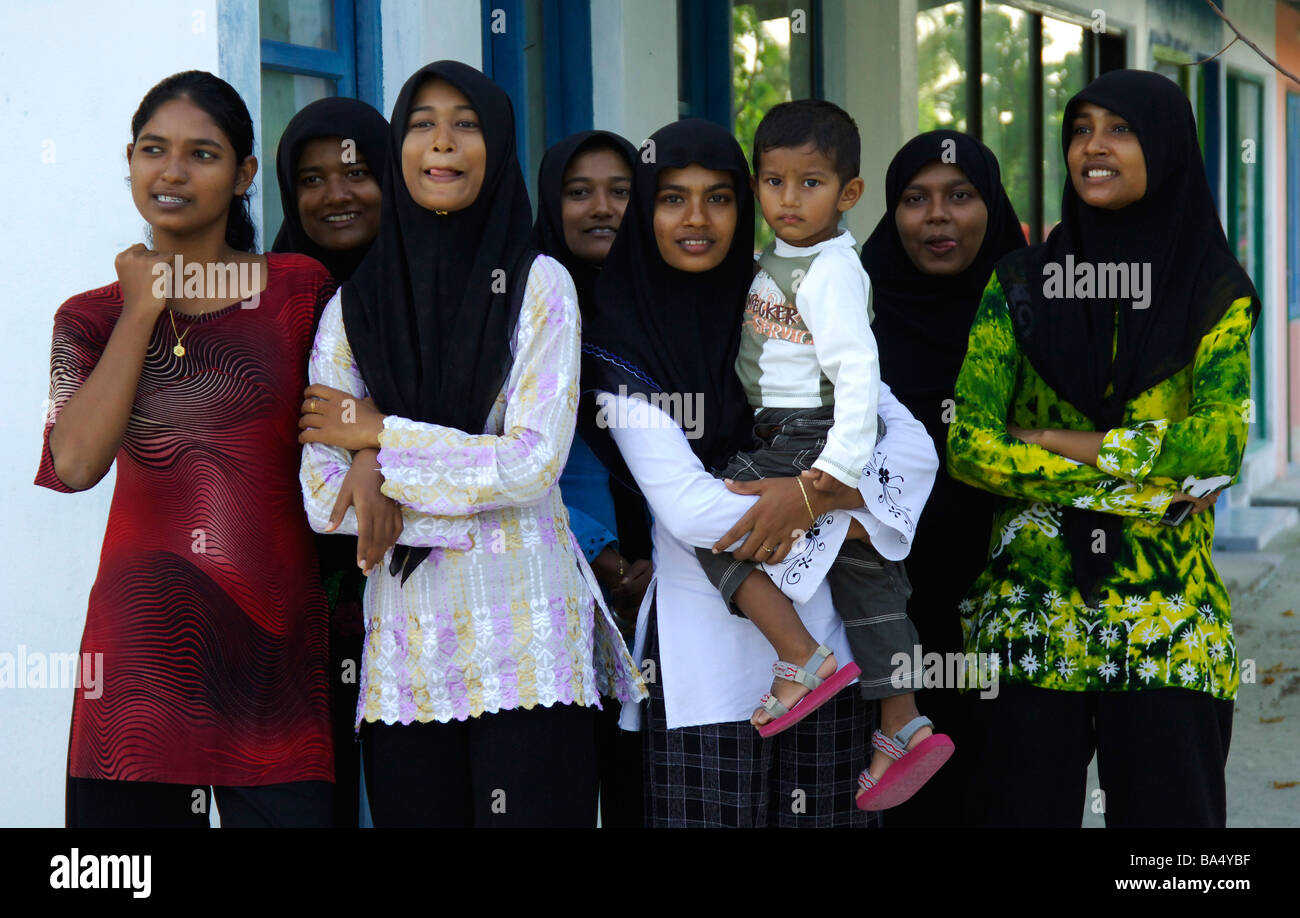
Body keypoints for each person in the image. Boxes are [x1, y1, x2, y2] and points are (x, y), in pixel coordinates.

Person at [297, 61, 646, 828]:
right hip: (409, 655)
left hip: (530, 645)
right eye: (422, 123)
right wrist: (378, 464)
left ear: (498, 147)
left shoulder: (539, 285)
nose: (442, 142)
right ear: (399, 151)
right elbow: (324, 499)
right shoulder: (356, 309)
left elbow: (530, 464)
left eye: (467, 124)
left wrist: (378, 438)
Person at [581, 117, 940, 826]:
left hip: (833, 651)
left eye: (717, 198)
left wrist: (812, 493)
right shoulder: (618, 346)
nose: (695, 219)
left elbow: (913, 447)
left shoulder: (782, 301)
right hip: (702, 655)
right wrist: (834, 505)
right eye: (671, 198)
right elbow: (688, 509)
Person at [947, 70, 1258, 827]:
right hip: (1030, 627)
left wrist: (1056, 440)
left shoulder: (1215, 290)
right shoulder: (1019, 282)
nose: (1094, 146)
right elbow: (969, 444)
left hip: (1166, 629)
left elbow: (1220, 440)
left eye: (1119, 128)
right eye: (1081, 129)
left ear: (1166, 148)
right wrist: (1148, 487)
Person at [36, 70, 336, 827]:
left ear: (243, 175)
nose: (171, 172)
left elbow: (342, 428)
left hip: (274, 667)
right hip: (136, 678)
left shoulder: (299, 291)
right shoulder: (89, 318)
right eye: (152, 150)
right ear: (130, 161)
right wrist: (142, 309)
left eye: (201, 154)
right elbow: (74, 465)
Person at [686, 100, 951, 810]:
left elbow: (858, 369)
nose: (788, 199)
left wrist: (834, 469)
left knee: (710, 521)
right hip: (804, 432)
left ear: (849, 194)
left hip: (810, 432)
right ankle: (903, 722)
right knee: (868, 570)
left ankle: (801, 657)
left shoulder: (831, 268)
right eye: (773, 182)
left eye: (810, 183)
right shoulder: (781, 257)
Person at [859, 129, 1026, 825]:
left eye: (960, 196)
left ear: (991, 205)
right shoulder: (854, 317)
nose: (937, 216)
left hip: (1012, 599)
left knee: (1011, 791)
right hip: (889, 605)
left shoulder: (1034, 310)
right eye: (915, 198)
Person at [271, 95, 393, 829]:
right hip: (296, 591)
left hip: (418, 588)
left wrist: (377, 443)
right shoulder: (270, 297)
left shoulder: (433, 293)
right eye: (311, 179)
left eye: (355, 172)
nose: (335, 194)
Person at [531, 129, 652, 827]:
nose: (600, 208)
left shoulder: (671, 301)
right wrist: (605, 556)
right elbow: (518, 446)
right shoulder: (526, 305)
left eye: (620, 191)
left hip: (681, 584)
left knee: (654, 788)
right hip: (565, 581)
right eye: (579, 193)